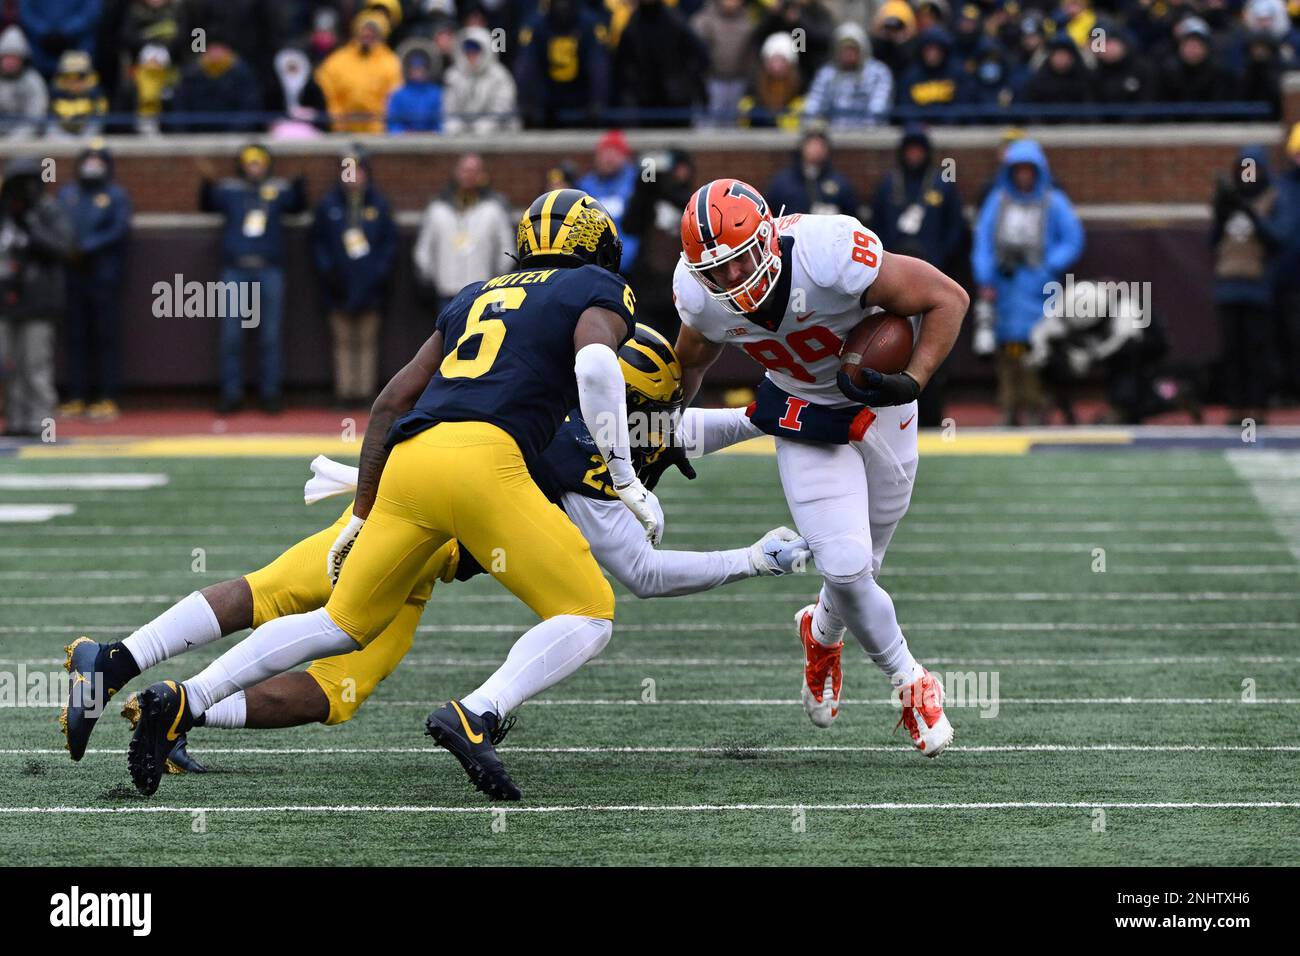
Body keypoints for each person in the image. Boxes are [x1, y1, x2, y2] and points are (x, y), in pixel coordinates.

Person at [63, 332, 808, 771]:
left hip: (410, 508)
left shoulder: (597, 417)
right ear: (633, 401)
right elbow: (642, 572)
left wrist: (764, 416)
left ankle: (143, 684)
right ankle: (177, 703)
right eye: (658, 405)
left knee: (275, 598)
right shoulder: (582, 456)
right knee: (337, 677)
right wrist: (748, 559)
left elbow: (688, 429)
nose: (668, 419)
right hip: (421, 543)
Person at [124, 190, 654, 802]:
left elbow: (389, 402)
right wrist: (625, 475)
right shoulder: (594, 286)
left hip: (410, 460)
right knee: (590, 611)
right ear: (595, 250)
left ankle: (187, 699)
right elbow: (594, 367)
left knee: (339, 623)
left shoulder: (479, 293)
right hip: (487, 462)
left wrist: (362, 513)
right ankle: (478, 713)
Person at [672, 177, 970, 754]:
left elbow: (947, 298)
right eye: (717, 272)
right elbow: (689, 364)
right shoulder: (700, 296)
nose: (733, 280)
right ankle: (912, 683)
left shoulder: (828, 253)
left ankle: (821, 631)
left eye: (740, 261)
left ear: (768, 238)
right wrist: (664, 430)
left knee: (864, 565)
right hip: (804, 415)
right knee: (849, 563)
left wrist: (913, 380)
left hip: (880, 405)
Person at [971, 138, 1084, 426]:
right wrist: (985, 276)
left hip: (1037, 285)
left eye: (1028, 170)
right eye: (1018, 170)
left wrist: (1049, 266)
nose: (1023, 176)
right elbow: (983, 242)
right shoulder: (997, 202)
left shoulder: (1053, 201)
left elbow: (1073, 238)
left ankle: (1036, 405)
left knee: (1036, 345)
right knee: (1007, 347)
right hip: (1005, 283)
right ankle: (1009, 404)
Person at [200, 143, 308, 414]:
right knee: (231, 337)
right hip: (235, 269)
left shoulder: (277, 192)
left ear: (266, 165)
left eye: (258, 163)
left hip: (269, 268)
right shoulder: (230, 192)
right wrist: (206, 184)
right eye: (250, 163)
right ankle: (231, 394)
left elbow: (297, 207)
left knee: (270, 336)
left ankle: (270, 394)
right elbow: (207, 205)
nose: (254, 168)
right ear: (242, 166)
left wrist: (299, 185)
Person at [310, 146, 397, 407]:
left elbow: (388, 245)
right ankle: (345, 392)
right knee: (343, 342)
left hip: (371, 287)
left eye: (357, 171)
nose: (353, 177)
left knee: (367, 342)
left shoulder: (379, 205)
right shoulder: (328, 206)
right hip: (338, 286)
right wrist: (329, 273)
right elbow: (317, 243)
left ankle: (365, 393)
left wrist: (379, 274)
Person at [0, 158, 75, 438]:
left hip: (38, 301)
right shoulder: (5, 214)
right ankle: (17, 422)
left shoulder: (49, 211)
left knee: (35, 365)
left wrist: (32, 231)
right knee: (9, 365)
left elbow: (64, 248)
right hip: (6, 300)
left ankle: (43, 424)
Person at [56, 144, 132, 423]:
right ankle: (77, 395)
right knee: (75, 337)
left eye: (98, 160)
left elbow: (119, 229)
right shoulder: (68, 193)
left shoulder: (115, 195)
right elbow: (58, 224)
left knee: (105, 337)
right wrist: (67, 248)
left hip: (103, 276)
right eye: (88, 159)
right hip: (73, 274)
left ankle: (108, 396)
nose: (92, 164)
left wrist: (87, 247)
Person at [1211, 145, 1283, 424]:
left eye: (1253, 169)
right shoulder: (1229, 202)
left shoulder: (1272, 197)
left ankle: (1257, 408)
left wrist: (1249, 211)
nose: (1248, 175)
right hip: (1228, 287)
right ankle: (1236, 408)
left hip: (1258, 287)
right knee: (1233, 352)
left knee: (1256, 351)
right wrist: (1221, 212)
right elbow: (1214, 243)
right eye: (1244, 169)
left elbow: (1278, 238)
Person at [412, 153, 515, 309]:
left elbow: (507, 248)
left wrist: (497, 280)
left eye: (474, 171)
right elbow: (423, 249)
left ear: (482, 175)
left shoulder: (494, 209)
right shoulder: (437, 208)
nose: (469, 175)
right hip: (447, 293)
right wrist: (432, 280)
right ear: (456, 172)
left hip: (482, 292)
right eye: (465, 170)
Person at [622, 148, 696, 338]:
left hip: (679, 291)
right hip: (648, 288)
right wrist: (644, 188)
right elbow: (630, 225)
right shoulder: (649, 198)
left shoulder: (694, 203)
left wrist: (666, 188)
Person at [870, 124, 963, 270]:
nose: (914, 154)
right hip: (892, 264)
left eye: (918, 149)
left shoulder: (942, 183)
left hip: (933, 264)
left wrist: (940, 255)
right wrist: (884, 256)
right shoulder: (888, 183)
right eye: (910, 150)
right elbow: (876, 223)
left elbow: (955, 225)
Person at [515, 0, 610, 128]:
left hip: (581, 99)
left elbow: (599, 66)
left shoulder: (591, 24)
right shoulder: (535, 25)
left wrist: (597, 101)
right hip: (547, 102)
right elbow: (526, 65)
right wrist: (525, 101)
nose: (562, 5)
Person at [613, 0, 708, 127]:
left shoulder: (675, 20)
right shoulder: (633, 24)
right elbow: (622, 62)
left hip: (677, 102)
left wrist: (686, 79)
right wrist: (634, 85)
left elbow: (701, 54)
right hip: (646, 103)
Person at [314, 8, 402, 133]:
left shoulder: (391, 63)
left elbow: (394, 97)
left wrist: (380, 122)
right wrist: (337, 120)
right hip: (342, 131)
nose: (367, 34)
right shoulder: (336, 62)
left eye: (373, 31)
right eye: (364, 30)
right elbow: (326, 94)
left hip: (377, 132)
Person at [802, 22, 892, 129]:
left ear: (862, 49)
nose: (848, 54)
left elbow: (878, 109)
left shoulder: (879, 73)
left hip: (868, 137)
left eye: (852, 49)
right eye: (844, 49)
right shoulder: (826, 73)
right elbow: (813, 105)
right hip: (831, 135)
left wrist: (859, 136)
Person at [577, 129, 641, 272]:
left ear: (625, 156)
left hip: (632, 262)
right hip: (595, 264)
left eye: (614, 153)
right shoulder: (585, 185)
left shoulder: (636, 182)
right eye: (604, 153)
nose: (608, 158)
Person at [170, 34, 262, 132]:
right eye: (212, 48)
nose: (216, 53)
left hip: (234, 136)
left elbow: (249, 107)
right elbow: (180, 107)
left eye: (220, 48)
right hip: (196, 136)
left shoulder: (242, 74)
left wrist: (234, 132)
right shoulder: (191, 74)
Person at [442, 26, 519, 134]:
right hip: (463, 137)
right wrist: (455, 127)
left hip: (499, 135)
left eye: (475, 50)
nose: (471, 55)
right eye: (467, 50)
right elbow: (449, 109)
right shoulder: (453, 76)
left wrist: (482, 129)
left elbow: (501, 109)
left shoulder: (500, 76)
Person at [765, 129, 858, 218]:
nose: (816, 150)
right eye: (812, 145)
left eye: (820, 145)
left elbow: (851, 215)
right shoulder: (783, 182)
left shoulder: (839, 182)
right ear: (802, 147)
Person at [691, 0, 756, 125]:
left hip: (739, 81)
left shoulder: (748, 20)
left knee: (733, 126)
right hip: (711, 81)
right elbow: (695, 51)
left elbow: (751, 54)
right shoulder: (704, 19)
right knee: (707, 125)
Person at [0, 25, 48, 139]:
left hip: (24, 143)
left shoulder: (34, 81)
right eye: (7, 57)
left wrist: (10, 145)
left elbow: (35, 118)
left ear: (23, 59)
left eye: (15, 57)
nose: (10, 62)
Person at [47, 49, 108, 137]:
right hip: (58, 142)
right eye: (68, 76)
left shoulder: (97, 96)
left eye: (80, 76)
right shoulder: (53, 95)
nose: (73, 81)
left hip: (87, 141)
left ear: (88, 76)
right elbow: (50, 125)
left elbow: (96, 125)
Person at [385, 42, 442, 132]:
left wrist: (432, 135)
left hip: (431, 141)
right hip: (403, 142)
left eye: (421, 68)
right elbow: (393, 124)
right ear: (408, 69)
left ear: (427, 69)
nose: (418, 71)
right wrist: (404, 134)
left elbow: (440, 123)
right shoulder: (398, 95)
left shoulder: (436, 93)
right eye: (414, 68)